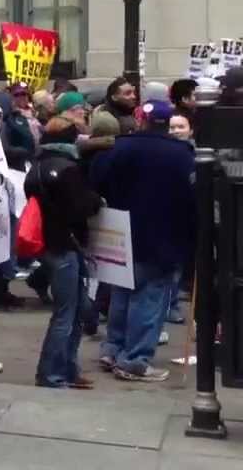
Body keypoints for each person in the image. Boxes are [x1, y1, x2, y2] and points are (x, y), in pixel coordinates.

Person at [91, 100, 195, 382]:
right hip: (162, 237)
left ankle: (113, 349)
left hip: (122, 232)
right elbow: (192, 198)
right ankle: (135, 360)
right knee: (149, 299)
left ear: (141, 120)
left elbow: (97, 180)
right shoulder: (182, 154)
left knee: (123, 294)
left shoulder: (120, 148)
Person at [26, 118, 104, 389]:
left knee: (76, 309)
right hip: (66, 244)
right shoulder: (68, 169)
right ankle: (52, 372)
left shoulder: (38, 166)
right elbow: (80, 208)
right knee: (67, 313)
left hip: (48, 243)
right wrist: (95, 200)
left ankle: (67, 369)